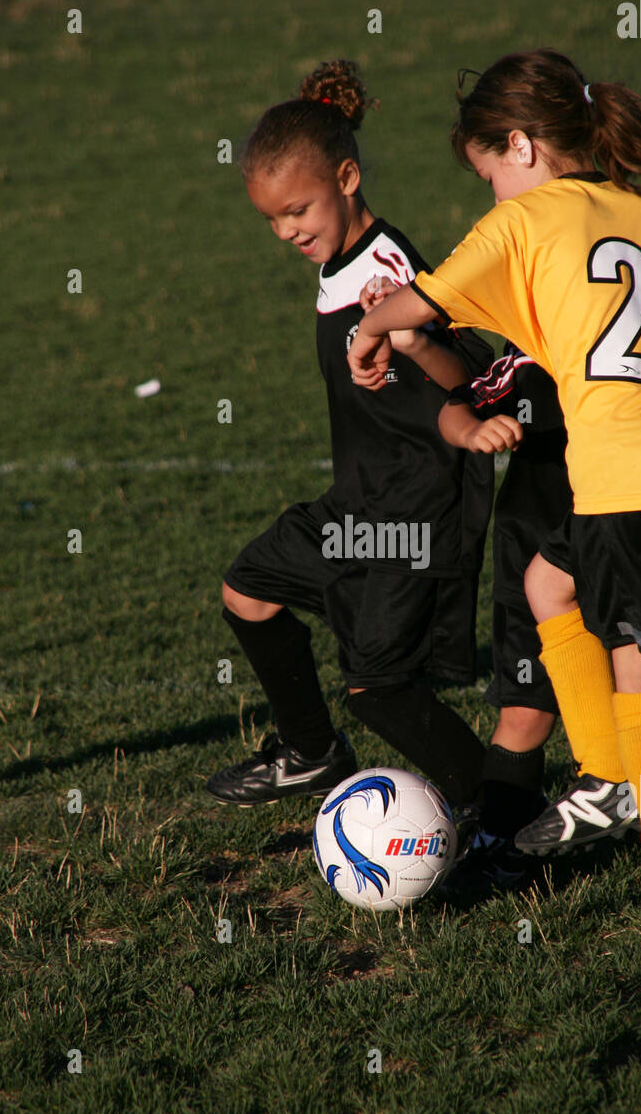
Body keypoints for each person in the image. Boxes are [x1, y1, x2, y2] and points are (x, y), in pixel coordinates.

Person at [346, 48, 641, 911]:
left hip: (622, 476)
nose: (491, 195)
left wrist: (370, 329)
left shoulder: (526, 220)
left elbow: (428, 298)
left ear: (519, 146)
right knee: (551, 582)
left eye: (488, 174)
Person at [206, 59, 493, 815]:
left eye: (296, 209)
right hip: (360, 501)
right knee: (249, 591)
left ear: (346, 177)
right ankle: (309, 752)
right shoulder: (344, 259)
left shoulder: (388, 275)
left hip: (412, 510)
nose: (286, 231)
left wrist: (403, 339)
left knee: (378, 687)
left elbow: (466, 373)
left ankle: (496, 808)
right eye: (271, 218)